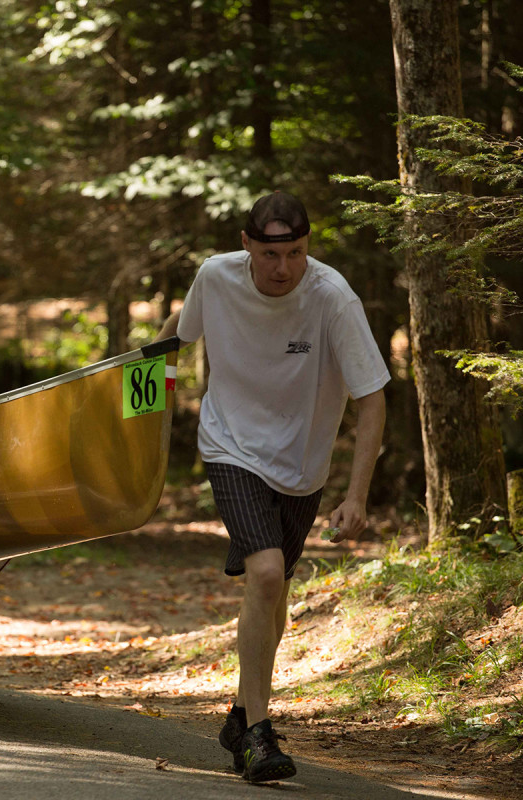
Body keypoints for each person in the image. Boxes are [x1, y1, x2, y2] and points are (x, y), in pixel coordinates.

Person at [156, 192, 388, 783]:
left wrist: (356, 494)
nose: (283, 268)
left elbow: (372, 398)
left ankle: (239, 714)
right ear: (246, 246)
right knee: (263, 574)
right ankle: (259, 736)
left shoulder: (332, 297)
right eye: (269, 254)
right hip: (230, 445)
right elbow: (174, 335)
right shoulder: (216, 277)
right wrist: (153, 400)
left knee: (275, 593)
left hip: (301, 465)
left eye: (295, 253)